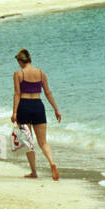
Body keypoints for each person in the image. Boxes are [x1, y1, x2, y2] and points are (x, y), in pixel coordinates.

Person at [10, 47, 61, 180]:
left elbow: (17, 94)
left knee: (28, 142)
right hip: (38, 106)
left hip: (24, 107)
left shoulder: (18, 74)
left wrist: (14, 112)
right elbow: (48, 92)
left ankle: (34, 172)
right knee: (43, 141)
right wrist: (56, 109)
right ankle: (52, 163)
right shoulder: (41, 73)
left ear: (21, 61)